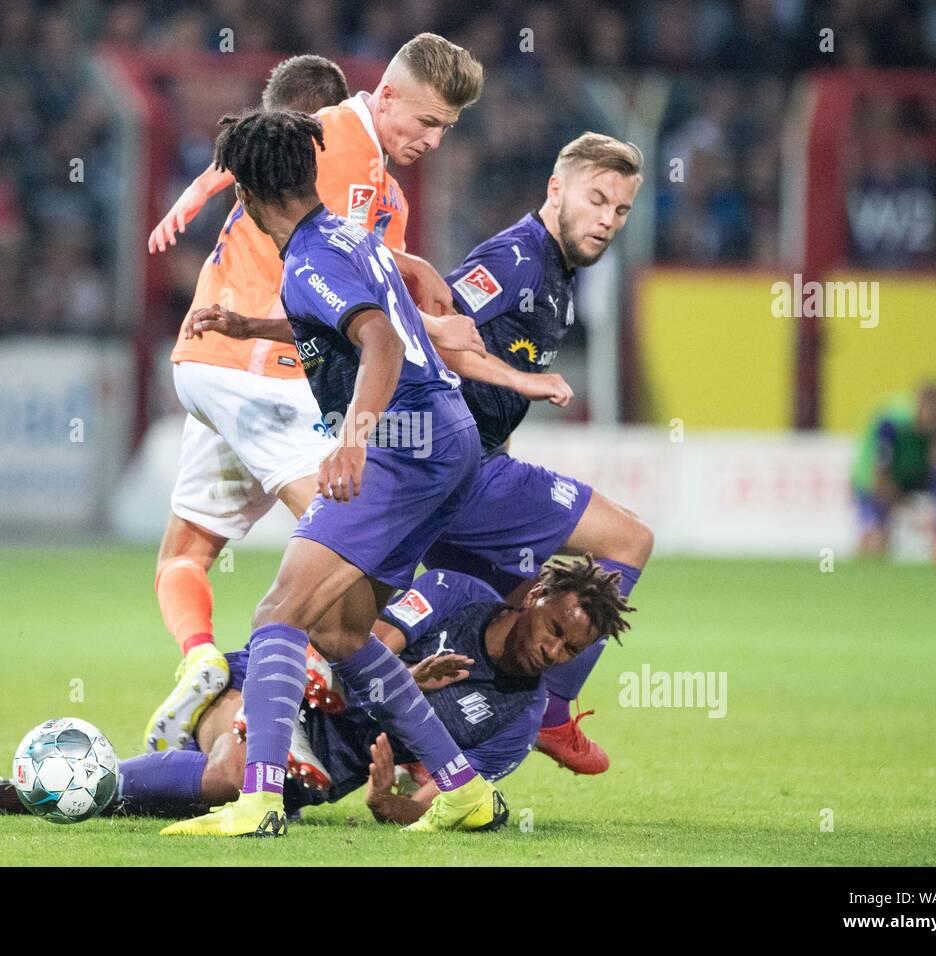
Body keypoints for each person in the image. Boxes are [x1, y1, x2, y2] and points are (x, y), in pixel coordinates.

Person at [191, 133, 654, 775]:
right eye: (596, 200)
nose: (607, 220)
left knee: (463, 617)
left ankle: (372, 751)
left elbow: (384, 321)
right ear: (555, 188)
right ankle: (533, 721)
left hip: (437, 452)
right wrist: (513, 384)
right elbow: (423, 325)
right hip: (434, 452)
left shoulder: (553, 276)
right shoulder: (518, 261)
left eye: (621, 210)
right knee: (626, 541)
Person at [160, 106, 502, 837]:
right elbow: (335, 323)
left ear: (246, 196)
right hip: (449, 440)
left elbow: (378, 342)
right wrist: (250, 327)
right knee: (347, 634)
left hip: (404, 448)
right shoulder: (341, 236)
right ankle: (465, 790)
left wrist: (352, 440)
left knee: (279, 615)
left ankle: (257, 802)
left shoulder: (309, 257)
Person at [0, 559, 634, 824]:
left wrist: (389, 801)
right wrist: (405, 690)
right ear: (538, 596)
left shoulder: (516, 723)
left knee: (228, 777)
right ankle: (52, 794)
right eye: (553, 630)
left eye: (569, 651)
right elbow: (373, 644)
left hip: (334, 765)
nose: (552, 651)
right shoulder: (457, 596)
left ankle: (87, 784)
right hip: (304, 683)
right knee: (236, 766)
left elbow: (430, 805)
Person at [852, 381, 936, 562]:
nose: (935, 419)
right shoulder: (891, 425)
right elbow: (880, 479)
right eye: (931, 412)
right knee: (877, 541)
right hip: (871, 483)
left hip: (909, 478)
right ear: (919, 406)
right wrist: (909, 508)